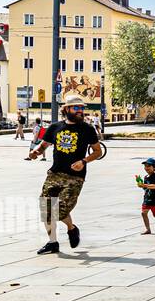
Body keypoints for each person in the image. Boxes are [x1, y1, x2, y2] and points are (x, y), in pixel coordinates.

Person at [27, 95, 104, 255]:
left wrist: (83, 161)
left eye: (82, 108)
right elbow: (44, 145)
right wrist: (36, 152)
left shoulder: (87, 129)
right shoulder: (55, 127)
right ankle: (53, 242)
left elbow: (98, 151)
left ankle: (72, 228)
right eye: (76, 108)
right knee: (46, 208)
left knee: (60, 211)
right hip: (54, 173)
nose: (80, 111)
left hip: (75, 177)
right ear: (67, 109)